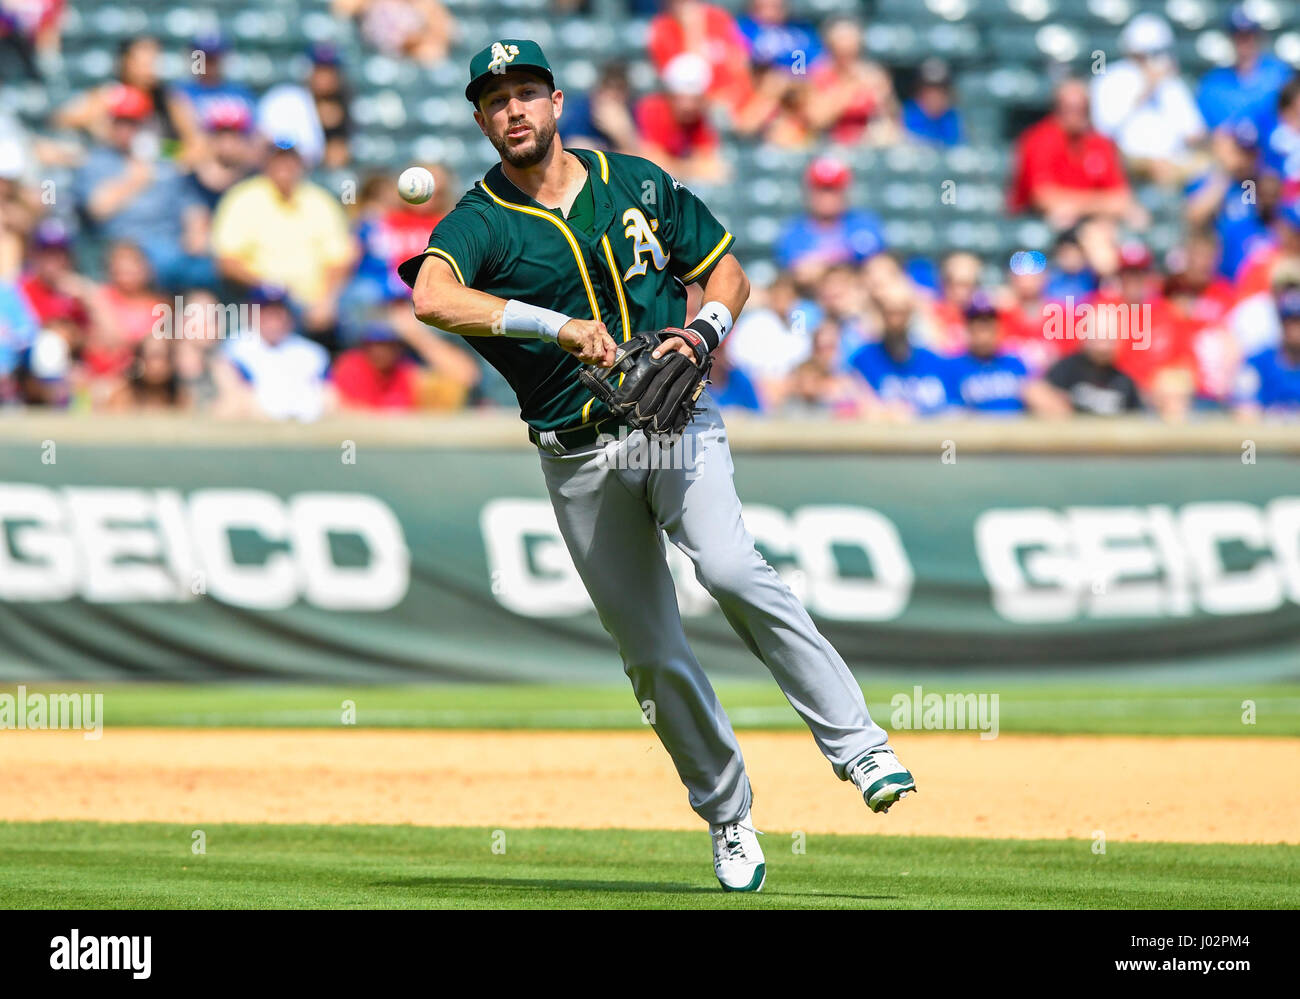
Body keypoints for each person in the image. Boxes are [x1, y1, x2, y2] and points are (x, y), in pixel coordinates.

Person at [400, 38, 915, 894]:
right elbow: (433, 295)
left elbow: (725, 272)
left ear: (559, 102)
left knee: (731, 567)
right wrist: (552, 326)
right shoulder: (479, 219)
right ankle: (730, 815)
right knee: (649, 649)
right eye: (497, 100)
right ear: (482, 118)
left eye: (528, 92)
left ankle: (860, 745)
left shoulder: (633, 183)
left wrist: (703, 331)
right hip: (576, 453)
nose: (515, 109)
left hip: (676, 423)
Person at [211, 135, 356, 345]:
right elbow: (227, 262)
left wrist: (327, 299)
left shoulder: (320, 201)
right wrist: (269, 287)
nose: (284, 166)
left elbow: (340, 258)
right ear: (267, 163)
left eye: (290, 159)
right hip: (262, 296)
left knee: (360, 303)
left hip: (315, 299)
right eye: (278, 159)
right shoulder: (243, 198)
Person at [75, 84, 217, 292]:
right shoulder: (96, 160)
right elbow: (97, 208)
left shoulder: (164, 156)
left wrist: (197, 230)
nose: (126, 129)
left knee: (208, 270)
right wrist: (133, 181)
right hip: (122, 247)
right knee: (152, 264)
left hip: (171, 246)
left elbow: (191, 203)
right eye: (120, 121)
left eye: (133, 122)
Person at [1007, 78, 1142, 229]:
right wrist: (1103, 204)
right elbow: (1044, 198)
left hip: (1090, 222)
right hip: (1037, 226)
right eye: (1070, 108)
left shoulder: (1100, 143)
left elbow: (1121, 198)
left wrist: (1073, 206)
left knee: (1129, 223)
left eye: (1082, 108)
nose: (1076, 114)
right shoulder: (1038, 139)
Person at [1089, 13, 1206, 185]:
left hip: (1173, 162)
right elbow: (1104, 129)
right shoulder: (1109, 79)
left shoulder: (1171, 83)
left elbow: (1194, 132)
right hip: (1127, 163)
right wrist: (1146, 90)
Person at [219, 285, 333, 421]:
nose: (273, 318)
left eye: (278, 310)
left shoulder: (312, 352)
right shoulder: (234, 349)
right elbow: (236, 397)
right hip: (256, 427)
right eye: (266, 311)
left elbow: (330, 397)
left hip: (311, 426)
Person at [774, 156, 885, 283]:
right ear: (808, 191)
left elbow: (873, 260)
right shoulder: (793, 232)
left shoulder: (864, 224)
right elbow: (796, 272)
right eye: (820, 189)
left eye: (833, 189)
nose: (827, 196)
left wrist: (823, 263)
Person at [848, 283, 951, 418]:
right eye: (889, 312)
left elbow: (952, 408)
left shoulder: (932, 360)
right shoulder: (863, 360)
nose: (895, 320)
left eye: (901, 312)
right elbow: (857, 405)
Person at [1197, 4, 1293, 132]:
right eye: (1239, 36)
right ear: (1230, 38)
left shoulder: (1282, 75)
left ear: (1260, 36)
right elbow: (1202, 133)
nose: (1245, 42)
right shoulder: (1212, 84)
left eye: (1250, 35)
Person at [634, 53, 728, 183]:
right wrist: (693, 168)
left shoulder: (699, 120)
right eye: (681, 98)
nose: (688, 106)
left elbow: (715, 169)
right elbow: (651, 164)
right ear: (670, 95)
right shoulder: (653, 109)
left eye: (695, 100)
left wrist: (675, 166)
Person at [1024, 318, 1143, 416]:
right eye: (1099, 338)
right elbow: (1033, 390)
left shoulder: (1123, 379)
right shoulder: (1069, 368)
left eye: (1109, 339)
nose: (1103, 347)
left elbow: (1138, 416)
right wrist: (1059, 409)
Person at [945, 291, 1027, 413]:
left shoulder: (1013, 363)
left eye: (988, 325)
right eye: (978, 325)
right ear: (968, 329)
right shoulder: (953, 367)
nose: (984, 333)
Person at [1234, 287, 1300, 417]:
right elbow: (1244, 409)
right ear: (1281, 323)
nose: (1295, 329)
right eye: (1290, 321)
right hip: (1266, 434)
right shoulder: (1257, 363)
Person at [902, 58, 965, 147]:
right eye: (928, 90)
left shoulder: (952, 116)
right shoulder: (906, 113)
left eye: (940, 90)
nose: (934, 96)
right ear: (918, 91)